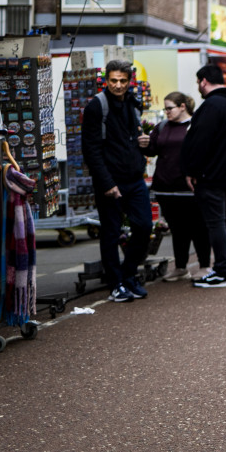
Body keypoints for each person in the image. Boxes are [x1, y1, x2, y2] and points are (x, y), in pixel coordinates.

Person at [83, 60, 153, 302]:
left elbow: (133, 139)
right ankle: (115, 284)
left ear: (129, 80)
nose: (118, 85)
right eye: (114, 80)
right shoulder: (96, 107)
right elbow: (91, 150)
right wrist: (106, 183)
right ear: (106, 80)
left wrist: (145, 143)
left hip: (134, 179)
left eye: (123, 81)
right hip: (110, 181)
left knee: (144, 226)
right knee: (111, 233)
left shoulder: (134, 104)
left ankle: (129, 275)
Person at [181, 65, 226, 289]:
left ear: (204, 81)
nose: (198, 87)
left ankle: (222, 271)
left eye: (199, 82)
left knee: (216, 223)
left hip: (210, 175)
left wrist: (192, 171)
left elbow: (200, 142)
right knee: (224, 222)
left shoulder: (211, 106)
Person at [143, 92, 211, 281]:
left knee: (198, 227)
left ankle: (204, 265)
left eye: (170, 108)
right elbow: (153, 150)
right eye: (165, 108)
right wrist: (144, 144)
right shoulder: (162, 127)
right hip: (165, 186)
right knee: (177, 228)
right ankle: (180, 267)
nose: (167, 112)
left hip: (189, 187)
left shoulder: (195, 126)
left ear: (183, 107)